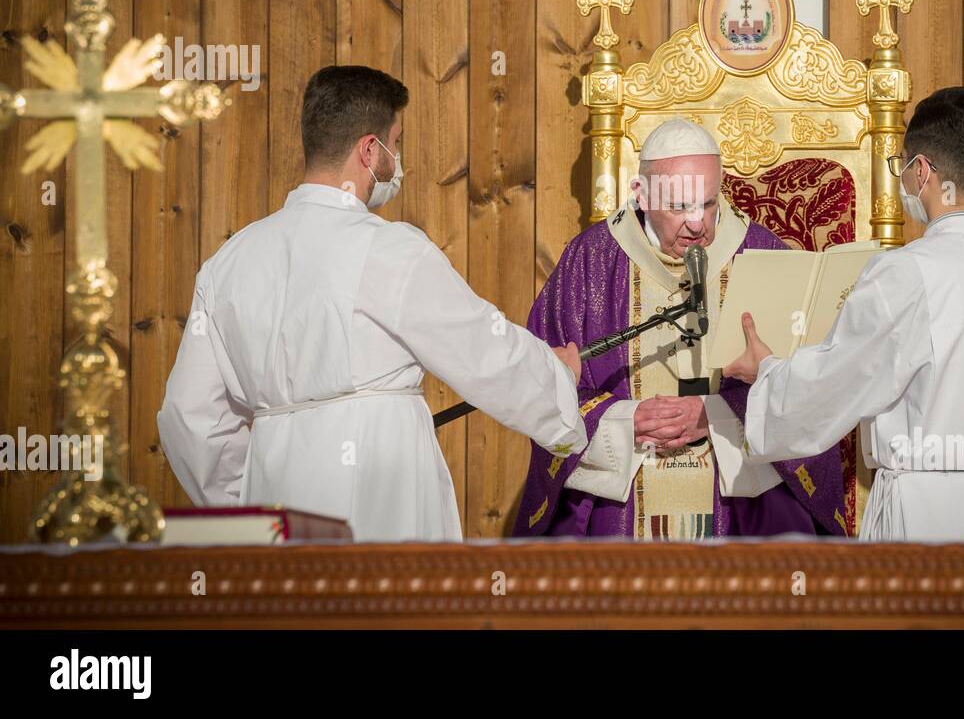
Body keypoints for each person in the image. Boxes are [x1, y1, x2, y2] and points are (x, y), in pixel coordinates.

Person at [157, 65, 586, 541]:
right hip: (381, 485)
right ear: (369, 149)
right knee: (383, 611)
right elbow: (481, 346)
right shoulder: (388, 248)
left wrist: (246, 499)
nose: (397, 160)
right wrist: (558, 382)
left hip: (274, 502)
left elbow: (189, 414)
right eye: (395, 144)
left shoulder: (228, 263)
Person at [724, 87, 964, 543]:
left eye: (902, 167)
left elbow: (836, 382)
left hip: (926, 512)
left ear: (921, 170)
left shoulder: (905, 271)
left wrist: (766, 371)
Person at [513, 119, 852, 539]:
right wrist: (624, 420)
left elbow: (808, 389)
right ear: (642, 195)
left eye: (708, 204)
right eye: (678, 207)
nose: (698, 224)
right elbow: (541, 385)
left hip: (741, 502)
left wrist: (718, 415)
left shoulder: (762, 254)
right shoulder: (590, 263)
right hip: (621, 498)